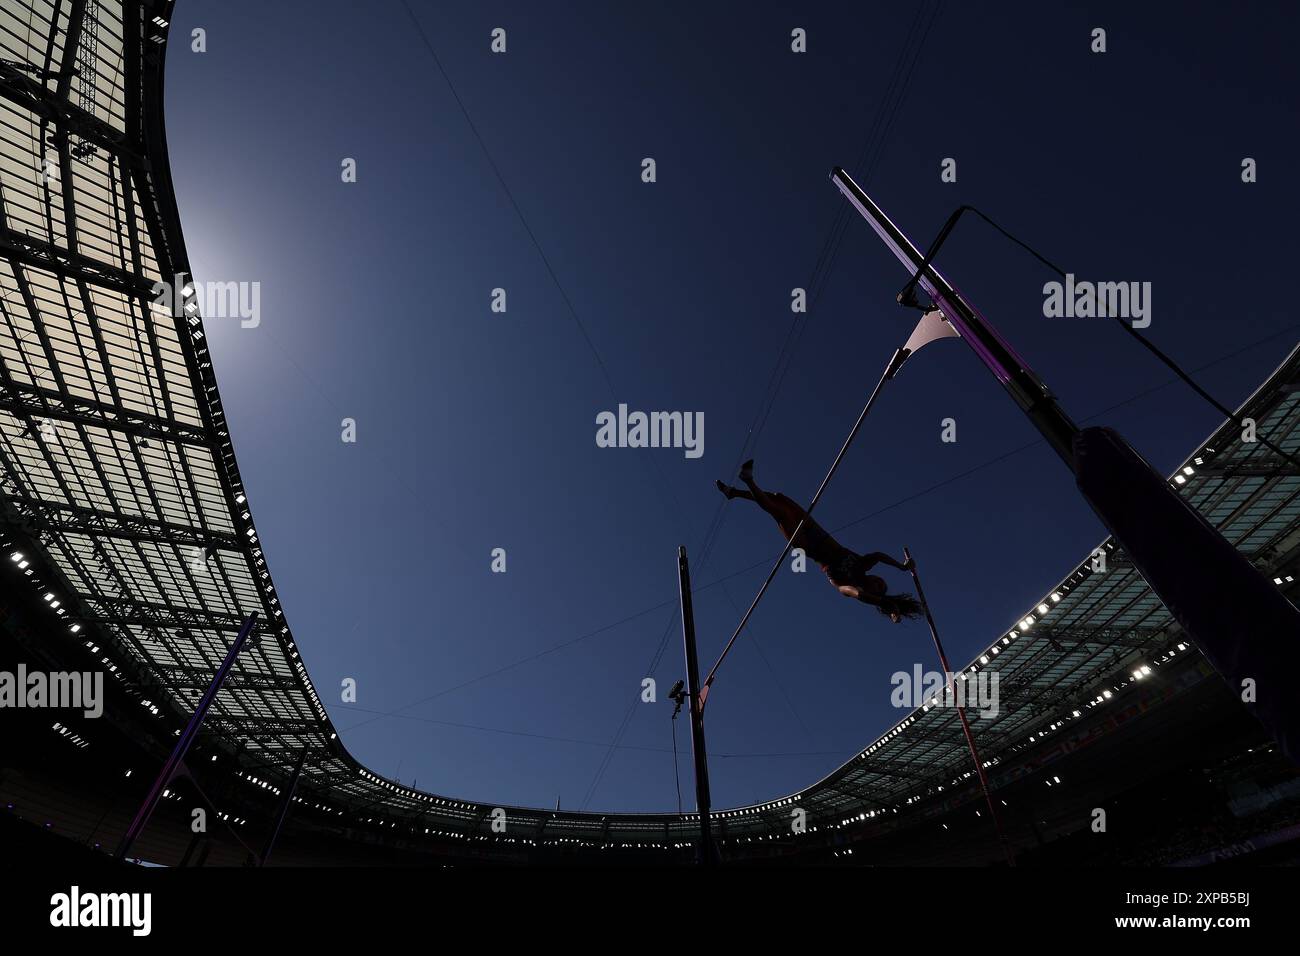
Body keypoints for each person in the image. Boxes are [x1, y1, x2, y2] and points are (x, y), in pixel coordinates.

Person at [716, 460, 923, 622]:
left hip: (807, 544)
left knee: (779, 512)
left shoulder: (847, 586)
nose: (878, 581)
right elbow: (878, 555)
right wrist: (901, 567)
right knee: (779, 498)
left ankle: (748, 480)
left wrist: (885, 604)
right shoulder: (862, 565)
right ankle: (733, 493)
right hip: (817, 531)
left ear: (873, 593)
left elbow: (859, 595)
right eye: (881, 580)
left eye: (879, 586)